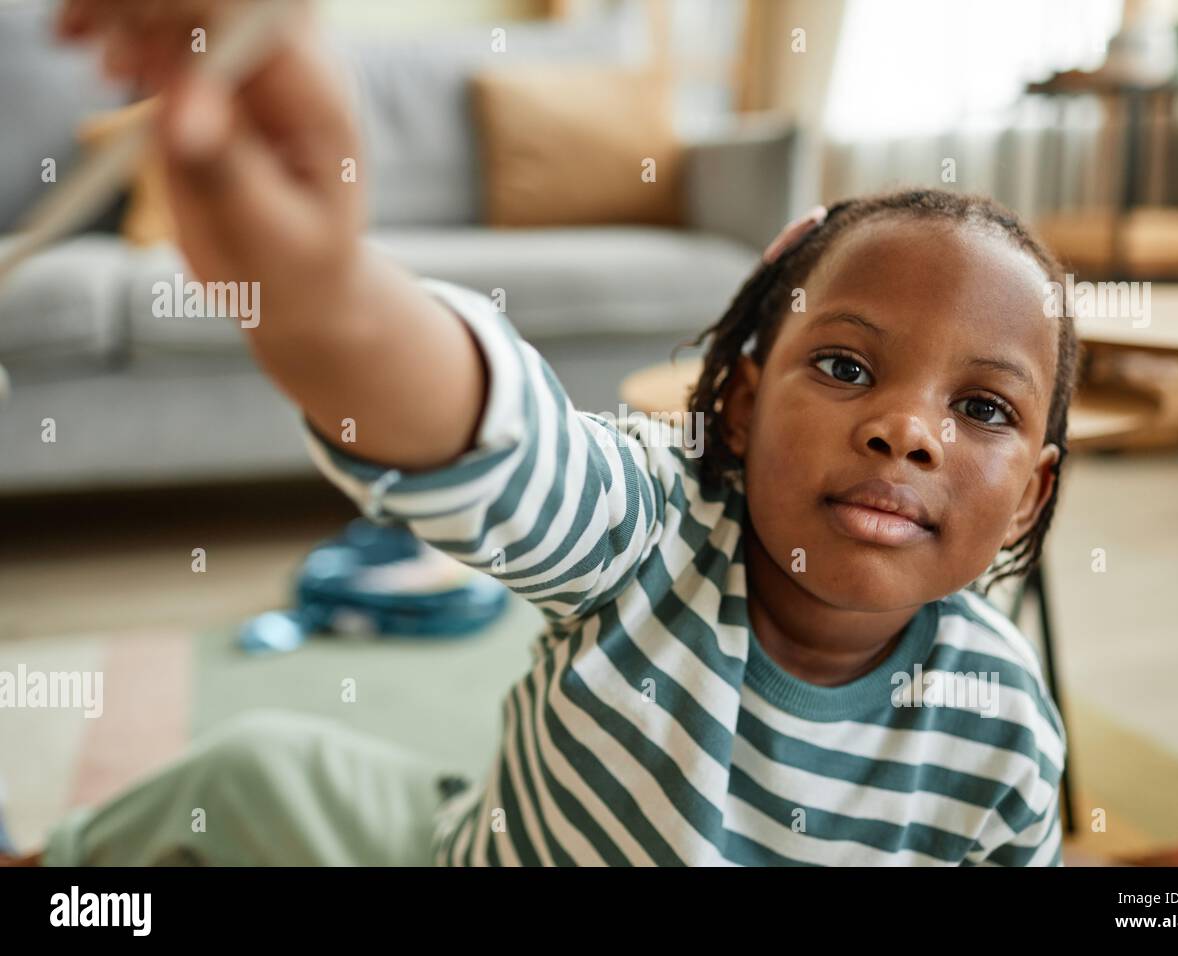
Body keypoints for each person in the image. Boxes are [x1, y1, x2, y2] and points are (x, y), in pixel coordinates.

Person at [7, 0, 1075, 866]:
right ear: (743, 409)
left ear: (1029, 492)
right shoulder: (653, 524)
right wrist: (321, 288)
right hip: (456, 845)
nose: (904, 430)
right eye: (844, 367)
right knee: (251, 768)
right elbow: (487, 436)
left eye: (982, 408)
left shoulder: (1006, 729)